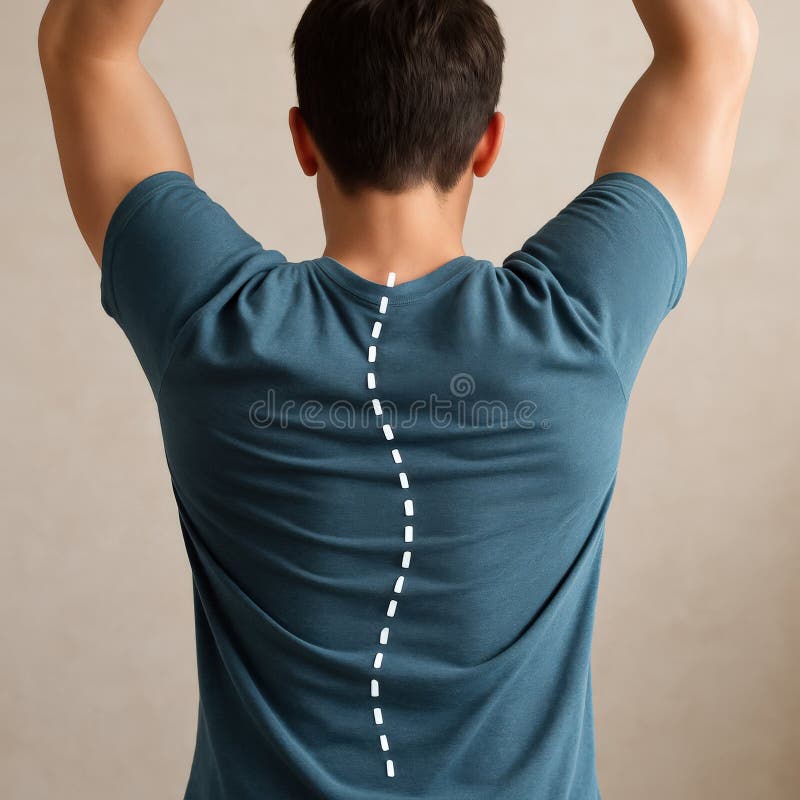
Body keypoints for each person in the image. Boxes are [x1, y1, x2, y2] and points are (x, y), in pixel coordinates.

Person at [38, 1, 758, 797]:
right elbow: (713, 46)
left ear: (302, 139)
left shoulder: (212, 325)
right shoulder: (578, 327)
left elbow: (84, 50)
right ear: (488, 143)